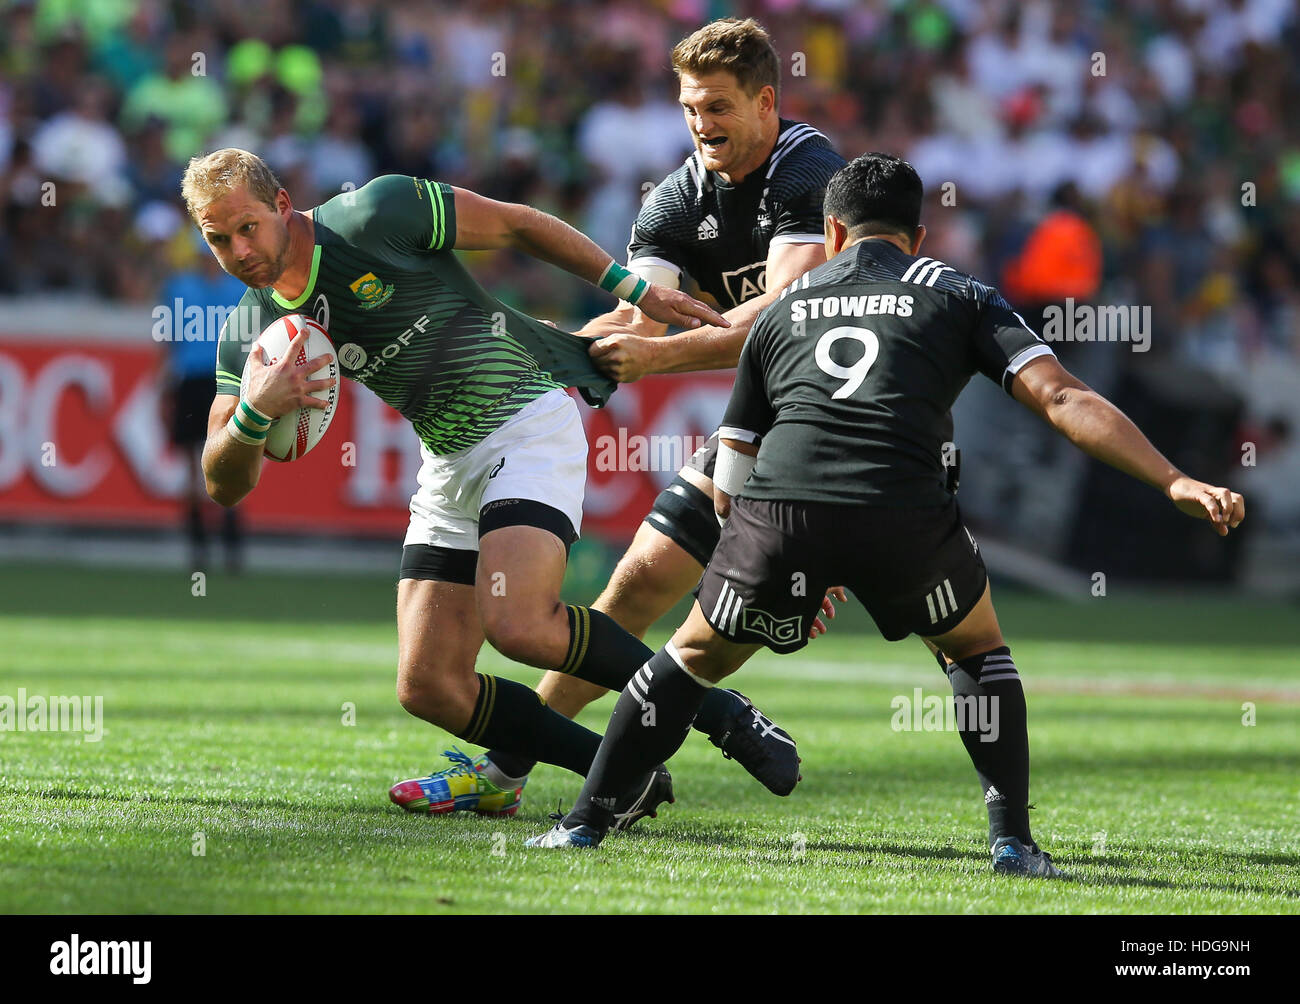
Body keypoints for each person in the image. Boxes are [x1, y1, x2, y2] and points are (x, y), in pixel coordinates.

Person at [527, 153, 1246, 878]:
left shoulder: (786, 305)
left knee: (689, 655)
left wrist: (777, 570)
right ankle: (1013, 844)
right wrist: (1174, 478)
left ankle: (584, 823)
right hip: (905, 510)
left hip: (779, 510)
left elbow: (735, 458)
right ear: (920, 235)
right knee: (975, 650)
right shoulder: (960, 292)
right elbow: (1061, 399)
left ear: (833, 230)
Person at [188, 148, 796, 829]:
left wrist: (633, 289)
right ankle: (622, 778)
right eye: (217, 238)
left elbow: (515, 225)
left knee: (520, 624)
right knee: (429, 686)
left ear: (280, 204)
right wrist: (254, 412)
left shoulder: (374, 212)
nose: (238, 250)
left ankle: (724, 716)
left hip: (525, 419)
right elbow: (223, 481)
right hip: (447, 460)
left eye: (246, 227)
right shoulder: (251, 332)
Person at [459, 17, 844, 807]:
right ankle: (506, 771)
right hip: (758, 429)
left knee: (739, 634)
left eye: (719, 108)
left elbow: (780, 320)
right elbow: (637, 322)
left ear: (766, 102)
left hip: (851, 433)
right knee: (633, 587)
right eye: (690, 108)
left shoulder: (810, 173)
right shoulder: (675, 198)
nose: (702, 125)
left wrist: (659, 357)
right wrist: (547, 350)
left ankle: (1012, 832)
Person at [158, 238, 247, 572]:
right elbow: (168, 343)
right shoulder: (179, 288)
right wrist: (163, 388)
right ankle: (201, 548)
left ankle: (229, 548)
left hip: (224, 383)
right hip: (193, 381)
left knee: (228, 463)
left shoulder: (238, 289)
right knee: (193, 470)